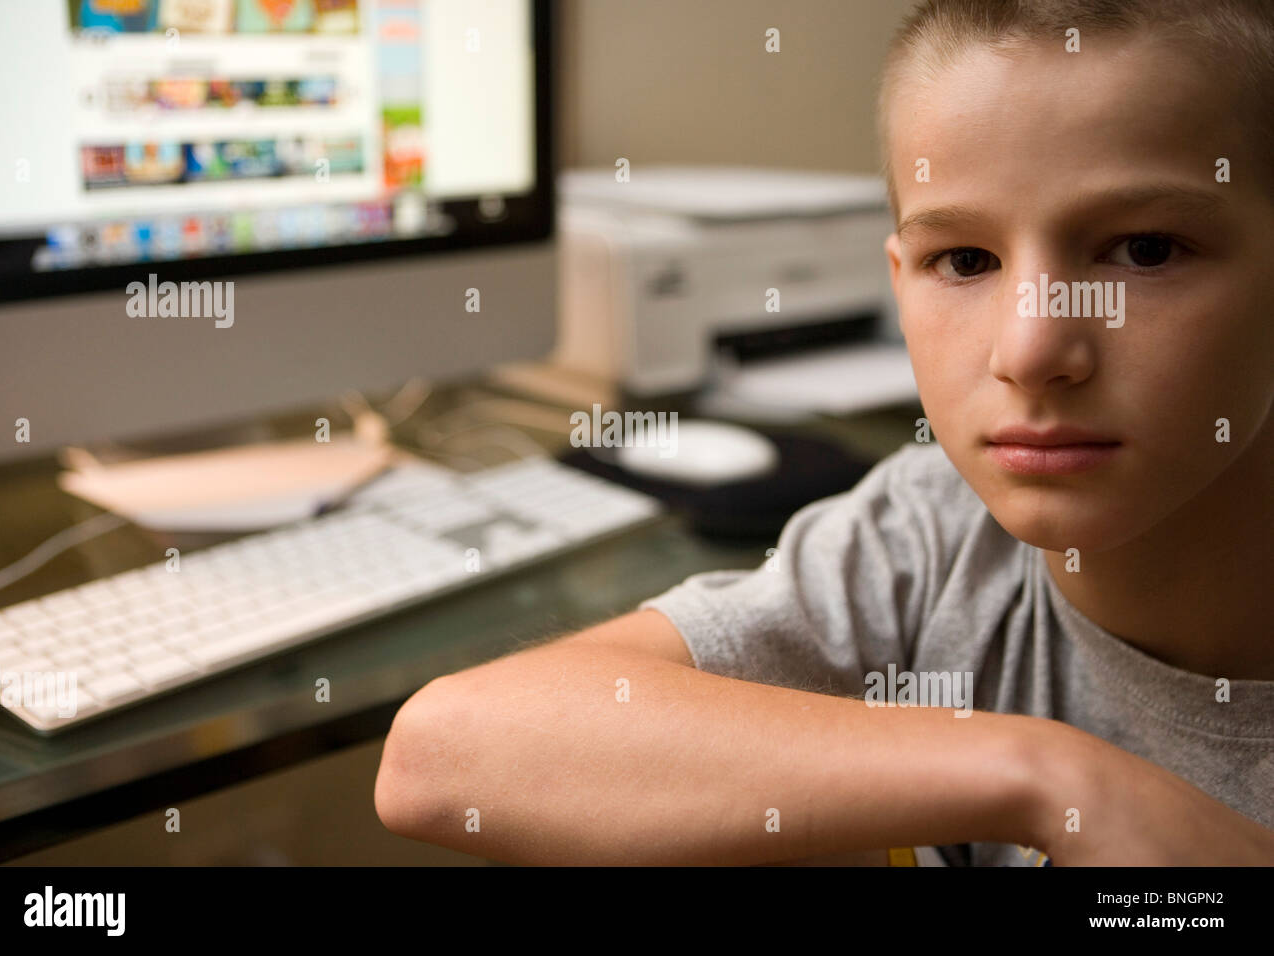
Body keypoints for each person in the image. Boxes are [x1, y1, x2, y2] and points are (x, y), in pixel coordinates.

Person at [374, 0, 1274, 865]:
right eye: (963, 260)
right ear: (899, 276)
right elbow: (442, 756)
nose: (1031, 348)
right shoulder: (934, 533)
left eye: (1145, 249)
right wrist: (1051, 778)